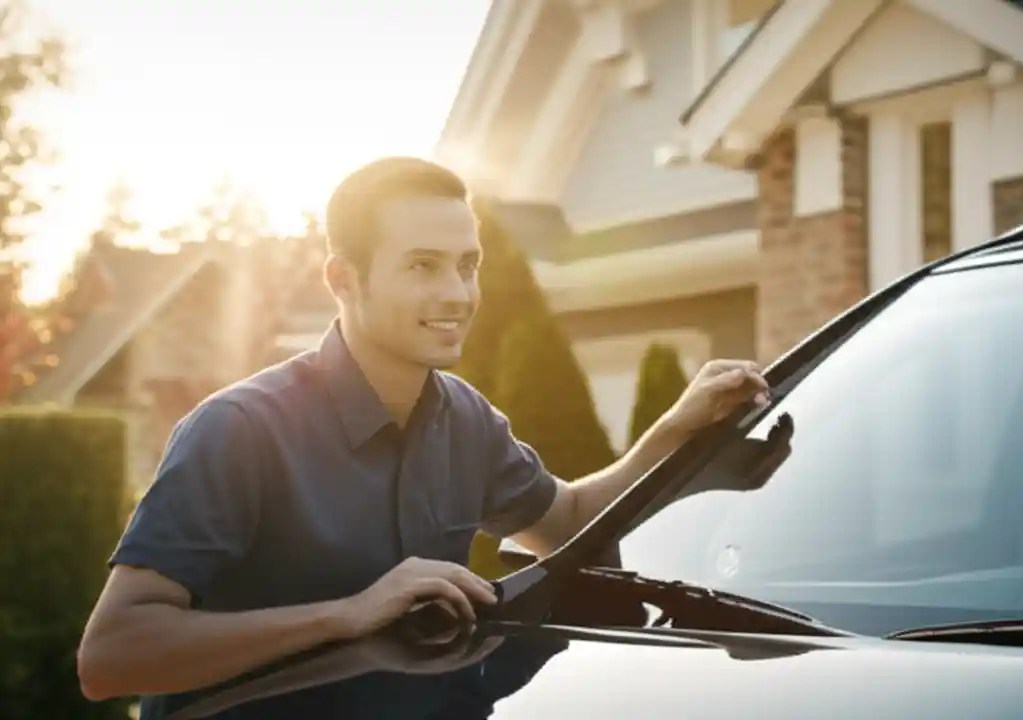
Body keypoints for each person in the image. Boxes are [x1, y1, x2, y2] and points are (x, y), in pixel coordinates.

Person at [75, 157, 769, 717]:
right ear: (344, 279)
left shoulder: (462, 419)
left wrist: (675, 430)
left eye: (468, 265)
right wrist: (348, 615)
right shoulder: (239, 431)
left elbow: (568, 524)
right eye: (422, 265)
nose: (458, 294)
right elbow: (111, 658)